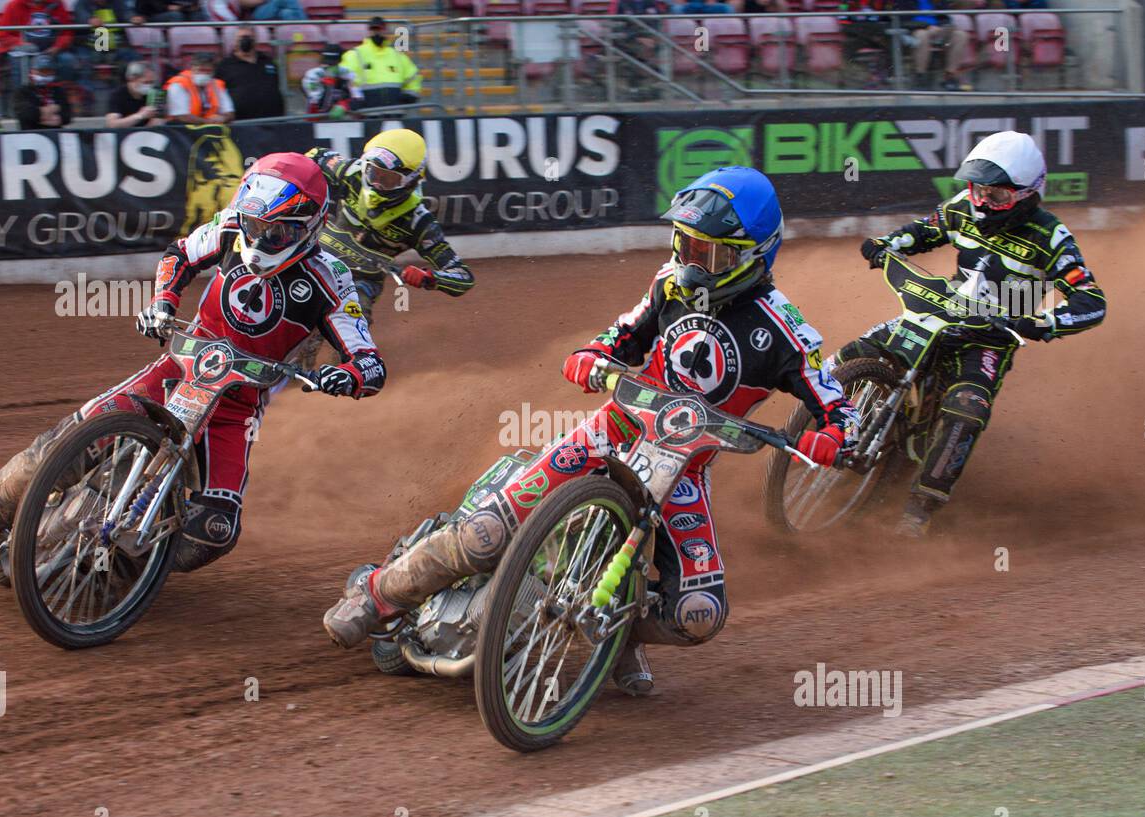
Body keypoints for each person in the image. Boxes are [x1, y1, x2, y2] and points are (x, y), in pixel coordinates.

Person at [323, 166, 858, 695]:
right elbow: (622, 334)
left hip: (685, 470)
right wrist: (591, 354)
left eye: (707, 253)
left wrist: (832, 437)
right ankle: (377, 594)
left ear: (752, 255)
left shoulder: (787, 332)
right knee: (486, 532)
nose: (690, 262)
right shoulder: (669, 283)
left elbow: (839, 407)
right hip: (615, 427)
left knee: (698, 613)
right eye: (684, 244)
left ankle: (614, 630)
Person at [0, 153, 385, 577]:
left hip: (236, 406)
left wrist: (346, 374)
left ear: (311, 226)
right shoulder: (229, 228)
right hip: (179, 369)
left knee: (214, 532)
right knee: (68, 439)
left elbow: (369, 361)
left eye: (277, 232)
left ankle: (127, 568)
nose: (260, 238)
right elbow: (180, 254)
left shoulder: (332, 279)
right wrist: (163, 301)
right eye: (253, 223)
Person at [846, 130, 1106, 538]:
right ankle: (822, 433)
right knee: (855, 351)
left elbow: (1092, 302)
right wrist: (887, 244)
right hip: (943, 309)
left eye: (997, 197)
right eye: (978, 190)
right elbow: (926, 230)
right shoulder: (963, 208)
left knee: (967, 409)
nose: (983, 203)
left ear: (1027, 194)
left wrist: (1041, 323)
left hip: (991, 337)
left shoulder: (1051, 237)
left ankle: (919, 510)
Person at [306, 129, 474, 325]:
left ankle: (354, 354)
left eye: (387, 179)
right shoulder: (353, 173)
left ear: (410, 180)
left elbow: (464, 277)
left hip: (360, 280)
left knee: (355, 320)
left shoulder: (418, 221)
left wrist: (429, 277)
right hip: (317, 255)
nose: (376, 182)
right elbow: (315, 155)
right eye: (372, 172)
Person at [339, 17, 421, 113]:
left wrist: (410, 95)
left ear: (385, 31)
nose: (376, 32)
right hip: (368, 114)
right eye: (374, 29)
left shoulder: (397, 55)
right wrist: (351, 99)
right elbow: (343, 79)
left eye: (380, 29)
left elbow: (413, 77)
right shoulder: (355, 54)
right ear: (369, 31)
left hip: (395, 113)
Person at [0, 0, 83, 83]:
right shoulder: (14, 5)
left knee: (67, 60)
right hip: (25, 52)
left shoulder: (57, 4)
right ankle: (21, 96)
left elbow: (67, 32)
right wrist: (22, 44)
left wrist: (57, 47)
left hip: (52, 51)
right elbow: (2, 35)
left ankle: (60, 93)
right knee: (20, 62)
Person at [214, 27, 285, 121]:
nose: (245, 41)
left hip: (274, 120)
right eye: (242, 38)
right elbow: (217, 93)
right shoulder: (224, 66)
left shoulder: (268, 61)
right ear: (235, 42)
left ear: (256, 41)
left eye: (249, 37)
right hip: (242, 123)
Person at [164, 52, 235, 124]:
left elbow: (230, 113)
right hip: (181, 129)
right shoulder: (179, 84)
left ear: (213, 71)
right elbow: (181, 116)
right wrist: (208, 122)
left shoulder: (217, 85)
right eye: (201, 70)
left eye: (208, 71)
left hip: (210, 128)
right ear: (192, 68)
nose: (203, 73)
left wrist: (223, 118)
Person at [12, 54, 72, 129]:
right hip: (31, 136)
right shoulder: (22, 92)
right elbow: (26, 115)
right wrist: (55, 108)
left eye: (48, 71)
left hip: (56, 134)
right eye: (41, 71)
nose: (45, 74)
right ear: (32, 71)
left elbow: (67, 116)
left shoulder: (58, 91)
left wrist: (42, 113)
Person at [302, 43, 360, 118]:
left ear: (339, 62)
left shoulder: (348, 74)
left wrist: (344, 105)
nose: (329, 67)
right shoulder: (312, 75)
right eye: (326, 63)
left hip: (344, 121)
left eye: (333, 64)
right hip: (316, 122)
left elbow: (359, 99)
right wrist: (329, 84)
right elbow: (320, 107)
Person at [106, 60, 165, 127]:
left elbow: (157, 122)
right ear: (132, 79)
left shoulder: (157, 93)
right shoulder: (117, 95)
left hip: (147, 134)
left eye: (152, 82)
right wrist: (140, 115)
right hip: (122, 134)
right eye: (146, 82)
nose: (150, 86)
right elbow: (112, 124)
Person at [238, 0, 306, 20]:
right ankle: (305, 23)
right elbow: (243, 3)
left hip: (272, 7)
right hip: (256, 13)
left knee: (286, 13)